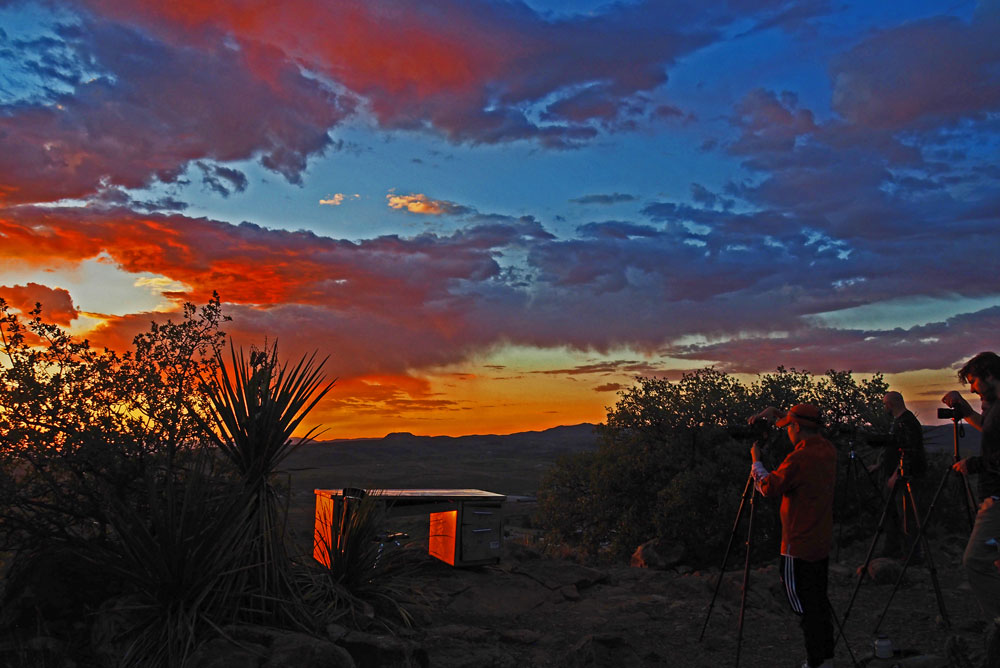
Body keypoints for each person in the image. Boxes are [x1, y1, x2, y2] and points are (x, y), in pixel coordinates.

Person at [749, 403, 837, 668]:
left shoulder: (798, 459)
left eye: (789, 427)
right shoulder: (828, 451)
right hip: (819, 540)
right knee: (818, 601)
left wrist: (756, 460)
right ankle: (826, 658)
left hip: (797, 544)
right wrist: (774, 414)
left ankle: (815, 661)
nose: (786, 431)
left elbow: (768, 487)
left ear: (797, 428)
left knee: (805, 608)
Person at [941, 351, 1000, 623]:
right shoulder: (995, 406)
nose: (973, 388)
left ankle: (996, 625)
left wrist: (974, 465)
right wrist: (965, 410)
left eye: (974, 381)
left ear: (990, 375)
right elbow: (988, 431)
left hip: (997, 498)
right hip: (992, 494)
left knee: (976, 560)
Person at [867, 391, 928, 559]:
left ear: (891, 404)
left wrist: (896, 475)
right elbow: (894, 446)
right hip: (897, 474)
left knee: (906, 516)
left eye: (885, 404)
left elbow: (909, 452)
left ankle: (911, 554)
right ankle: (893, 550)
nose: (884, 407)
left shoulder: (907, 422)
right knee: (893, 514)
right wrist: (880, 465)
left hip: (906, 477)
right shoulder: (899, 421)